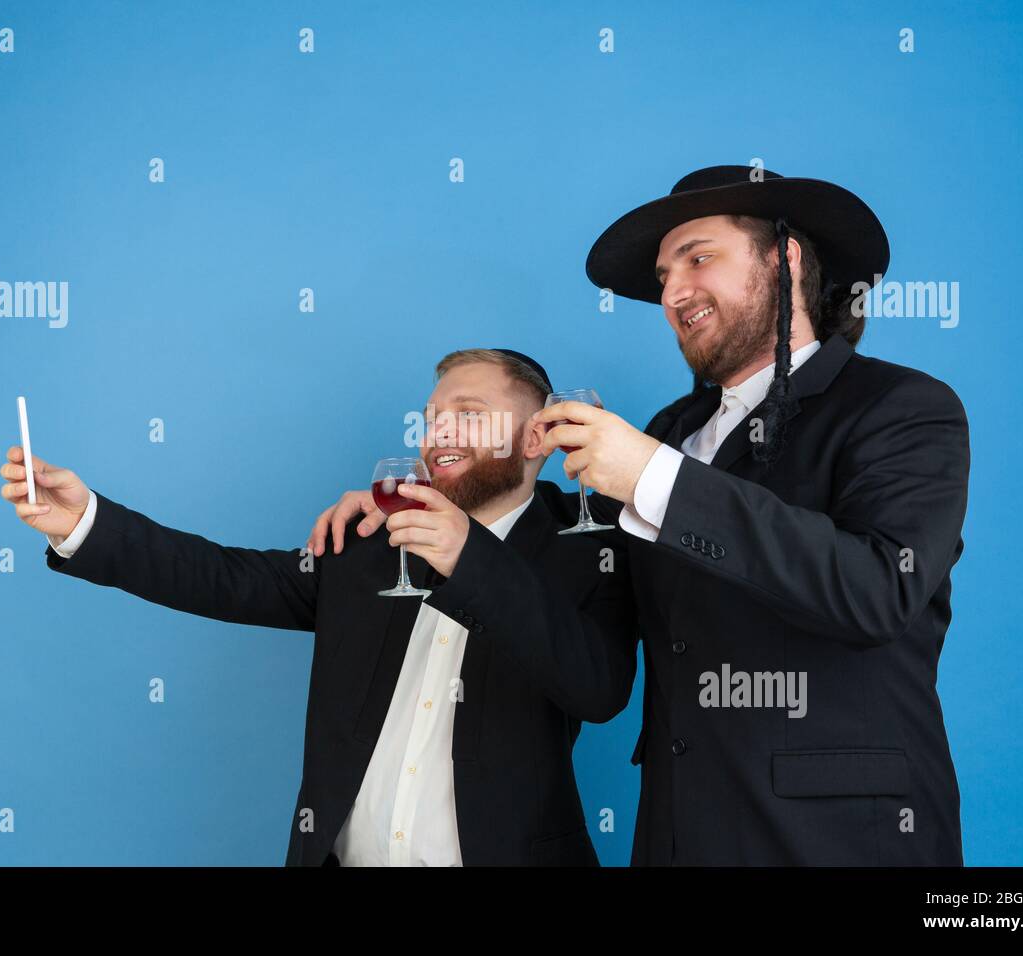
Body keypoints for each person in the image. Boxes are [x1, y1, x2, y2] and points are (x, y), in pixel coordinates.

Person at [312, 166, 970, 866]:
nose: (675, 292)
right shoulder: (672, 428)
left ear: (785, 259)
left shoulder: (903, 407)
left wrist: (654, 473)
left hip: (840, 840)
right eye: (663, 276)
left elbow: (878, 590)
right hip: (680, 829)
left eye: (700, 257)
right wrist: (423, 502)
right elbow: (577, 535)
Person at [0, 348, 637, 866]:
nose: (438, 430)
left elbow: (600, 690)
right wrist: (84, 521)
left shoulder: (593, 545)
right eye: (431, 416)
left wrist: (470, 558)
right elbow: (224, 578)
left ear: (536, 439)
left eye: (468, 413)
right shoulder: (368, 541)